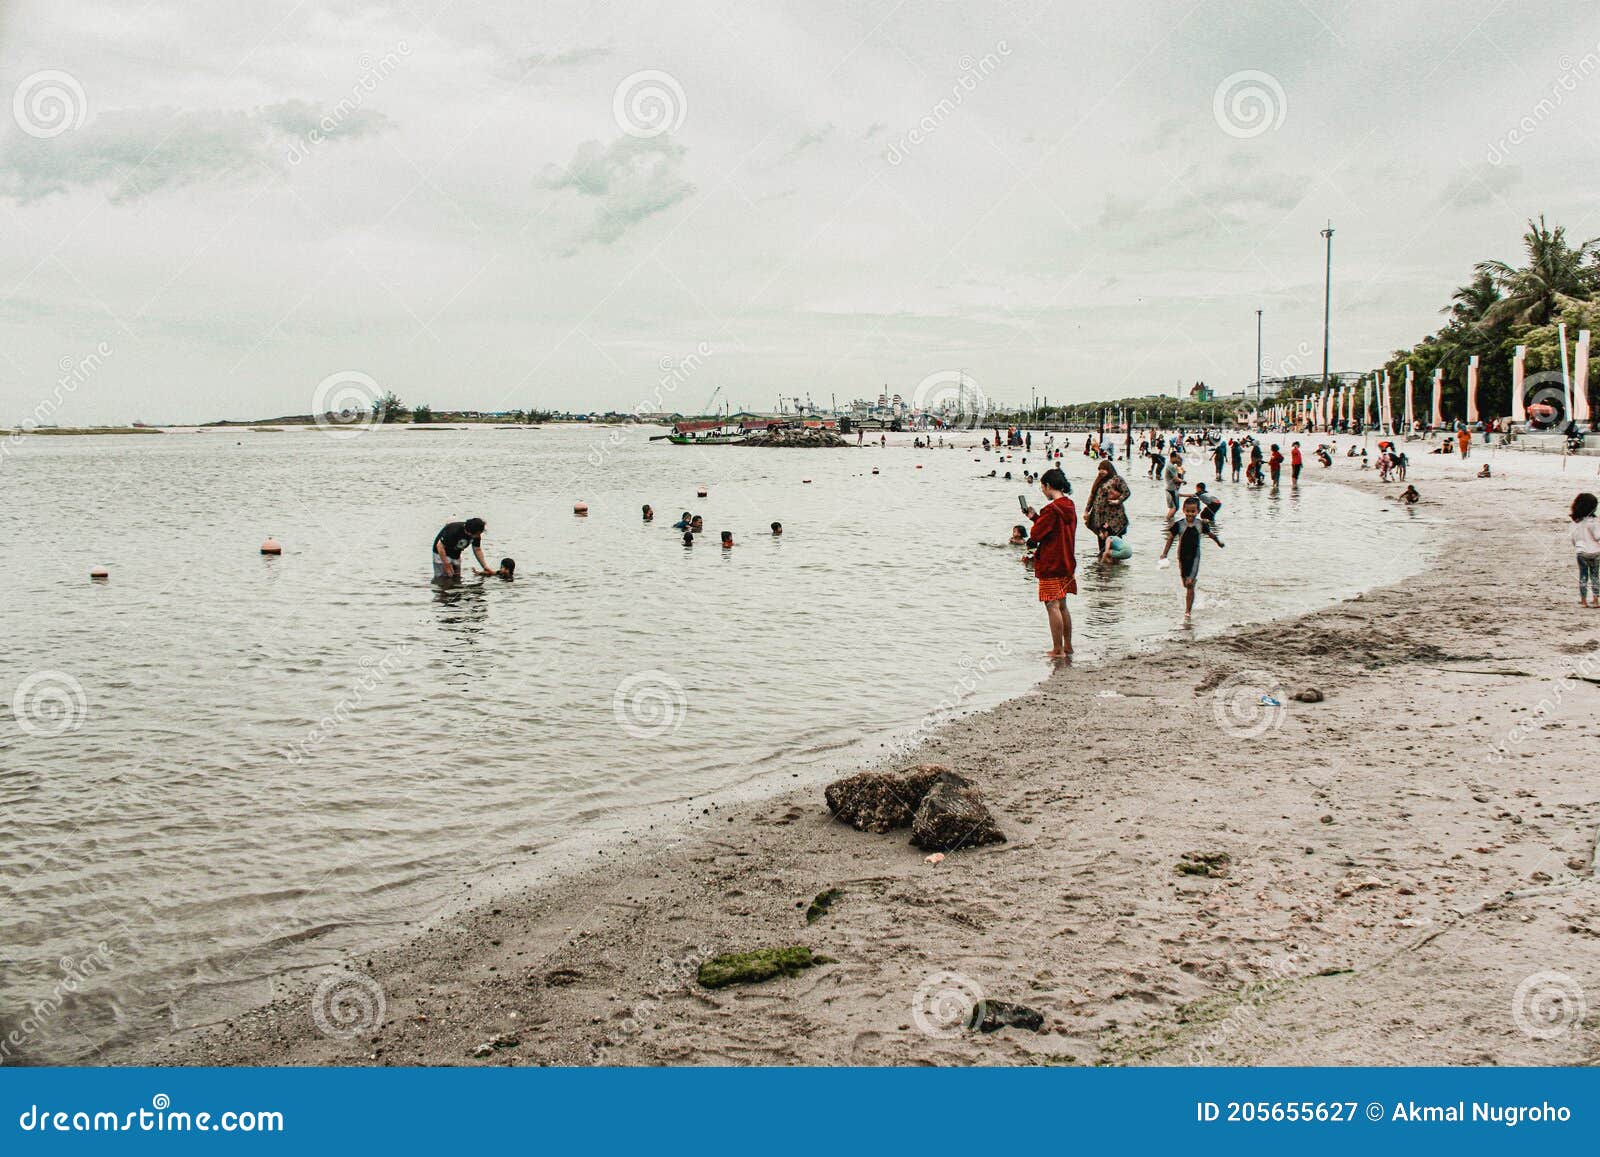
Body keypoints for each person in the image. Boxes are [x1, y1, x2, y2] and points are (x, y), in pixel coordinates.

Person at [1023, 467, 1078, 658]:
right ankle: (1068, 646)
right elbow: (1053, 529)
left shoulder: (1051, 509)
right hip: (1067, 561)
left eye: (1043, 488)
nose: (1043, 491)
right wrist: (1036, 518)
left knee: (1051, 605)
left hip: (1051, 562)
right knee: (1062, 605)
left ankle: (1057, 649)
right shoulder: (1069, 506)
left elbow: (1036, 535)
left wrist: (1037, 521)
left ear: (1048, 486)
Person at [1160, 495, 1224, 624]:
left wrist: (1218, 542)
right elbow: (1170, 538)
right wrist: (1164, 554)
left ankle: (1188, 612)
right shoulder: (1179, 525)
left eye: (1193, 511)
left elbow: (1211, 535)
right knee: (1185, 583)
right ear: (1183, 510)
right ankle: (1193, 595)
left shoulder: (1201, 524)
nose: (1190, 514)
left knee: (1189, 583)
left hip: (1195, 556)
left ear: (1198, 512)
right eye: (1188, 511)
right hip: (1182, 557)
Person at [1084, 459, 1129, 563]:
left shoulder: (1116, 479)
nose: (1101, 471)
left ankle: (1114, 563)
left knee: (1114, 540)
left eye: (1103, 469)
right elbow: (1092, 496)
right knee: (1101, 539)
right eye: (1099, 469)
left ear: (1109, 469)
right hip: (1099, 517)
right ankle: (1103, 564)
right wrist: (1087, 510)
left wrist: (1118, 501)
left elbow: (1126, 492)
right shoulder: (1098, 481)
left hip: (1114, 518)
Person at [1571, 493, 1600, 608]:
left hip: (1581, 552)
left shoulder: (1577, 522)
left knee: (1583, 576)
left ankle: (1583, 600)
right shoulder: (1594, 522)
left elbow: (1574, 538)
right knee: (1595, 576)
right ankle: (1595, 599)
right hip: (1595, 553)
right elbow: (1598, 537)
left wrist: (1577, 547)